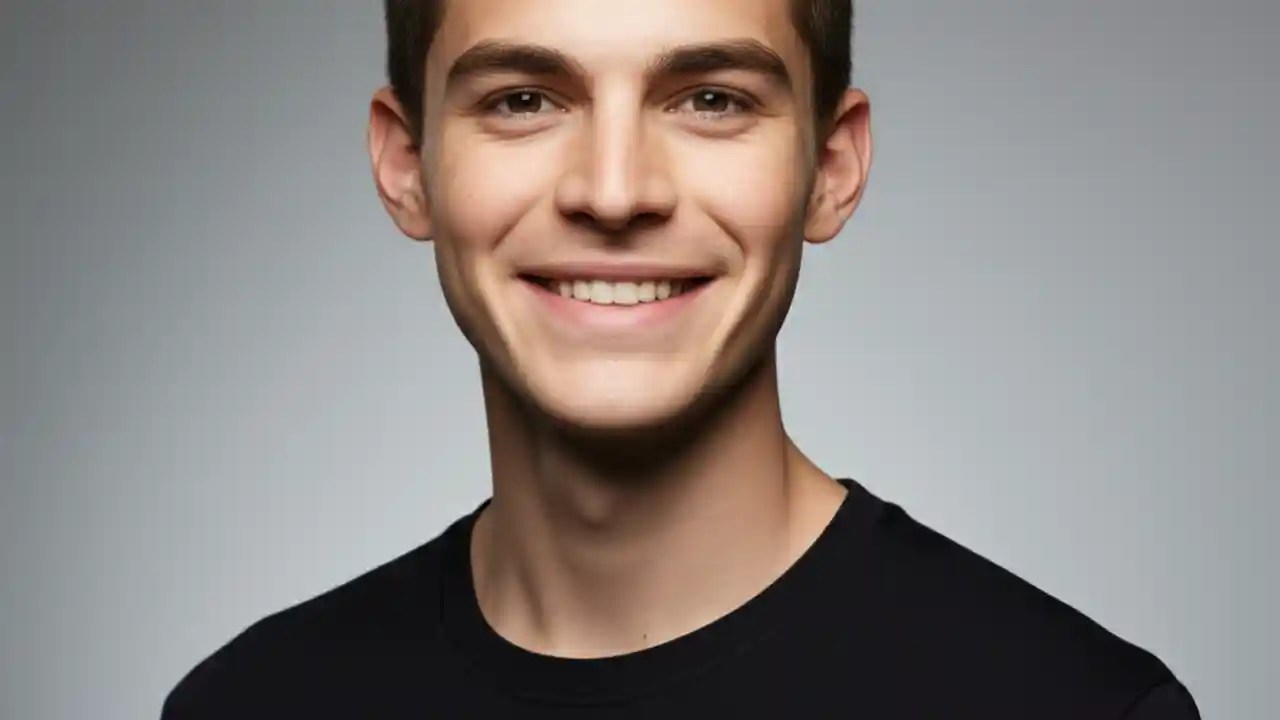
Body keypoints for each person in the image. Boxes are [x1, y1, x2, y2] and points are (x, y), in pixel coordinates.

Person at [161, 0, 1200, 716]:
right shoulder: (249, 705)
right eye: (523, 98)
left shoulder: (1071, 708)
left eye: (711, 99)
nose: (613, 192)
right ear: (407, 167)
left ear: (829, 170)